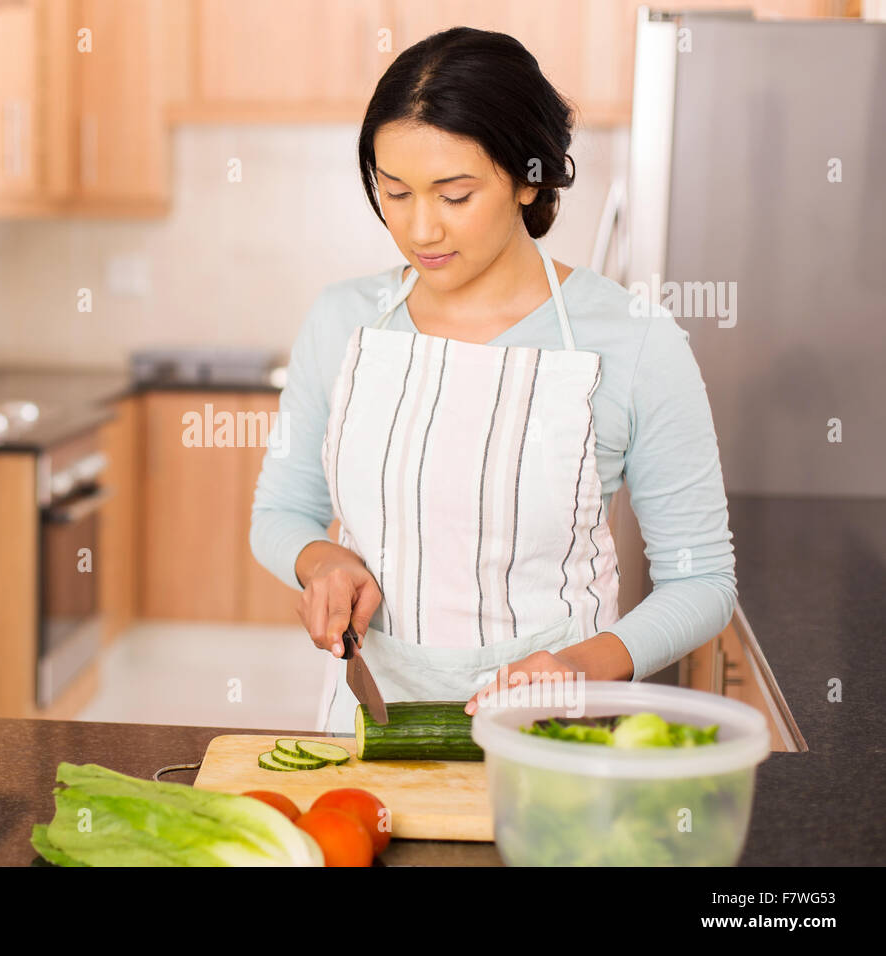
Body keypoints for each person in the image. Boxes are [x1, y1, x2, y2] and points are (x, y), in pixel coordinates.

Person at [249, 27, 737, 735]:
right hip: (366, 732)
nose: (421, 229)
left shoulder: (635, 341)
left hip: (552, 745)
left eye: (454, 195)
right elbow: (279, 512)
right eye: (395, 193)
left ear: (527, 175)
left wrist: (584, 666)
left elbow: (702, 582)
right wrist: (320, 559)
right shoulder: (343, 322)